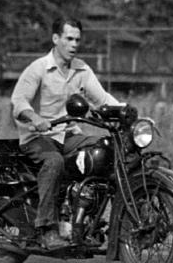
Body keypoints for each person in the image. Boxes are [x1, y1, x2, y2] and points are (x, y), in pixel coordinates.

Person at [10, 16, 123, 250]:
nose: (74, 44)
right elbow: (19, 102)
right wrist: (35, 118)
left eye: (77, 40)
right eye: (69, 39)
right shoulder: (39, 69)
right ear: (55, 39)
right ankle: (47, 229)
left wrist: (128, 114)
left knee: (104, 149)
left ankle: (91, 219)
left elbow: (102, 99)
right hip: (38, 138)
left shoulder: (81, 69)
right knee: (54, 162)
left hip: (69, 134)